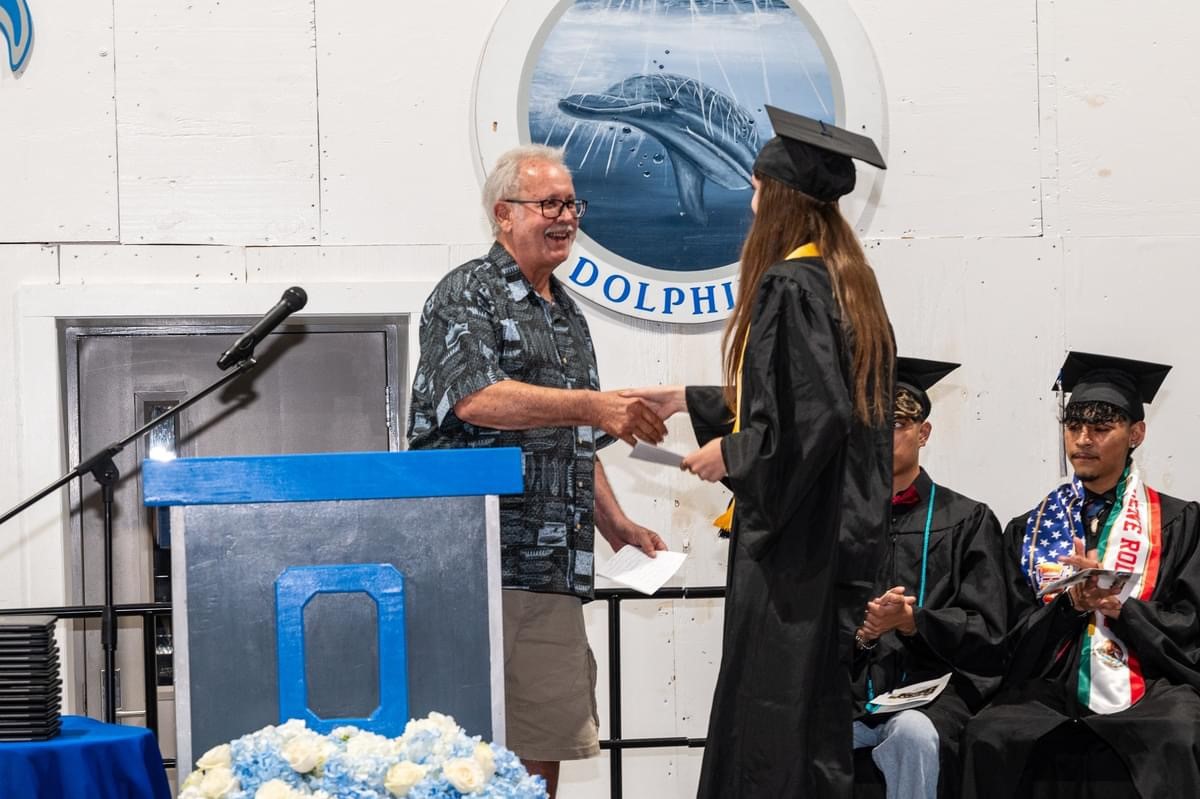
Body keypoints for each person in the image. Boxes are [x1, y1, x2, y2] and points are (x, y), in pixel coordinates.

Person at [625, 105, 893, 797]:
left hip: (792, 563)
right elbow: (808, 395)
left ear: (779, 200)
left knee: (772, 733)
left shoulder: (789, 285)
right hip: (833, 547)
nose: (749, 202)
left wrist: (733, 456)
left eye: (755, 189)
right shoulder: (848, 283)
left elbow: (812, 418)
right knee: (811, 730)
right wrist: (691, 400)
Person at [406, 144, 668, 798]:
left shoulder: (569, 313)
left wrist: (618, 524)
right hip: (477, 567)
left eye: (571, 203)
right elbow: (476, 397)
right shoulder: (468, 291)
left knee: (541, 755)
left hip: (553, 572)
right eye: (549, 203)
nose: (566, 216)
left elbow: (581, 434)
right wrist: (593, 405)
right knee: (460, 760)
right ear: (503, 214)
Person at [961, 351, 1200, 798]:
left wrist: (1121, 605)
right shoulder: (1033, 528)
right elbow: (1008, 634)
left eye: (1101, 428)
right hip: (1055, 681)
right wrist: (1070, 606)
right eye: (1073, 427)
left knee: (1178, 732)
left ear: (1136, 434)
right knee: (989, 733)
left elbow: (1190, 622)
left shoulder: (1177, 522)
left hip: (1149, 679)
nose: (1083, 440)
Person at [850, 358, 1008, 798]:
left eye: (897, 422)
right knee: (793, 738)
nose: (883, 434)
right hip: (849, 693)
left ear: (924, 433)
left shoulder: (966, 520)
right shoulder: (841, 522)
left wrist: (914, 621)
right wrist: (863, 635)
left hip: (932, 696)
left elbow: (991, 630)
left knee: (914, 735)